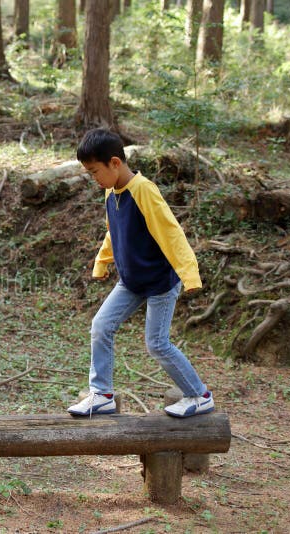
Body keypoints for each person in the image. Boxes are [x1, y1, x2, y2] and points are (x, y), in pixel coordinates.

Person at [67, 128, 214, 418]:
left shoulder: (143, 190)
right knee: (101, 326)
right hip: (131, 282)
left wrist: (190, 275)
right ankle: (102, 394)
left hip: (160, 282)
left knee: (157, 344)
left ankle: (200, 396)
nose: (94, 178)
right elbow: (113, 233)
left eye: (95, 171)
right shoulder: (111, 192)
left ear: (114, 163)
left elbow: (171, 233)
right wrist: (102, 262)